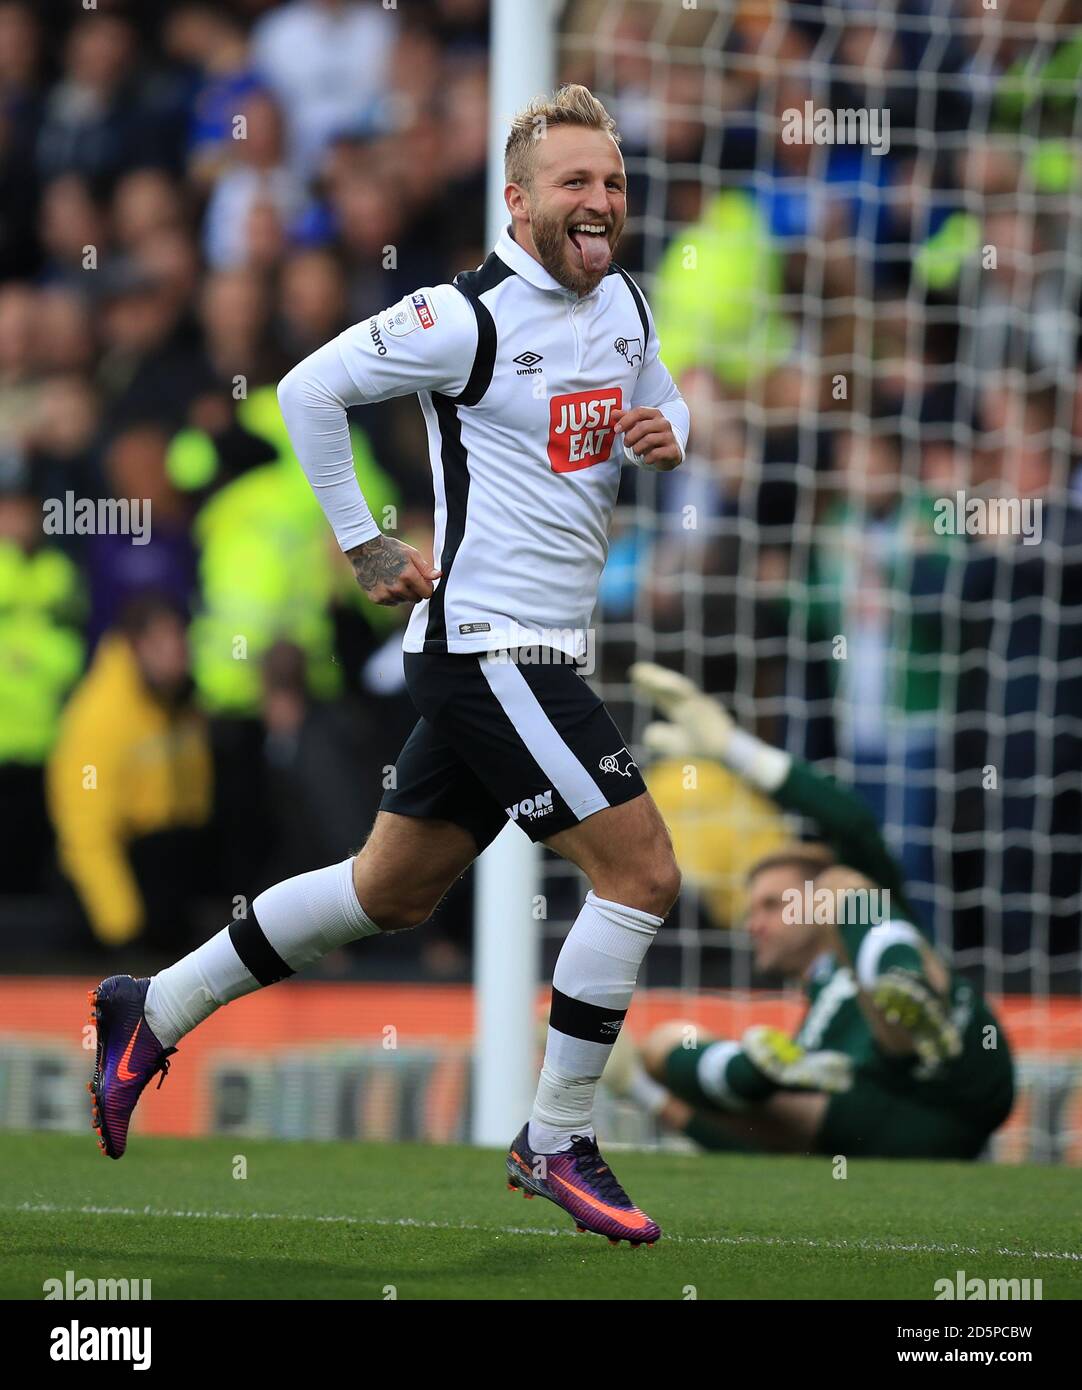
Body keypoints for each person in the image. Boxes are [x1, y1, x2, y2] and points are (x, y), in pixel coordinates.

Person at [87, 85, 689, 1247]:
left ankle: (151, 1005)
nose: (600, 201)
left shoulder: (622, 303)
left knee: (388, 890)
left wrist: (669, 435)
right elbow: (309, 389)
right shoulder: (462, 317)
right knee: (643, 873)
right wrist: (362, 537)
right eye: (574, 183)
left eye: (610, 181)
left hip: (537, 652)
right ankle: (554, 1134)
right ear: (518, 202)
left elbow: (651, 409)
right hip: (486, 648)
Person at [606, 664, 1014, 1160]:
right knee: (669, 1047)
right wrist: (639, 1089)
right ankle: (756, 1071)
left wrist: (732, 749)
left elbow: (851, 821)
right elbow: (759, 1145)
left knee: (847, 886)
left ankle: (906, 993)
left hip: (961, 1066)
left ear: (814, 909)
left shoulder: (872, 908)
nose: (752, 923)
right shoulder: (813, 1032)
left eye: (774, 904)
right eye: (752, 909)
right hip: (893, 1132)